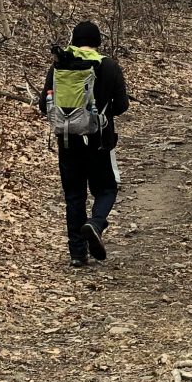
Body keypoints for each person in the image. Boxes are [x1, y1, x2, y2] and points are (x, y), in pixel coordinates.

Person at [39, 21, 129, 267]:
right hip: (99, 142)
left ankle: (77, 254)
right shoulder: (108, 65)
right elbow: (122, 105)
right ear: (97, 41)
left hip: (68, 140)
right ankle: (96, 223)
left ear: (74, 40)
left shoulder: (60, 65)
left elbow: (42, 104)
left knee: (74, 196)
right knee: (106, 189)